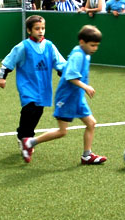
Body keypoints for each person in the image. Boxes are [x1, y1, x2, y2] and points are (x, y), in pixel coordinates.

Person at [19, 25, 107, 165]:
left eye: (97, 45)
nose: (95, 48)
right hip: (66, 98)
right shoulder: (78, 55)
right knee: (62, 131)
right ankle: (29, 142)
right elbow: (70, 76)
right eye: (92, 45)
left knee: (91, 123)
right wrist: (85, 86)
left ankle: (87, 155)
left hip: (77, 97)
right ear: (82, 42)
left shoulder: (86, 54)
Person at [0, 15, 66, 162]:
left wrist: (65, 74)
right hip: (27, 86)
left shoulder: (49, 46)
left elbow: (59, 62)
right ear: (29, 30)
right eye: (37, 28)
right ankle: (25, 138)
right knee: (29, 110)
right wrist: (3, 77)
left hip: (43, 87)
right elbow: (9, 61)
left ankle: (25, 137)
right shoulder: (23, 47)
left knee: (38, 112)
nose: (41, 31)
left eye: (43, 28)